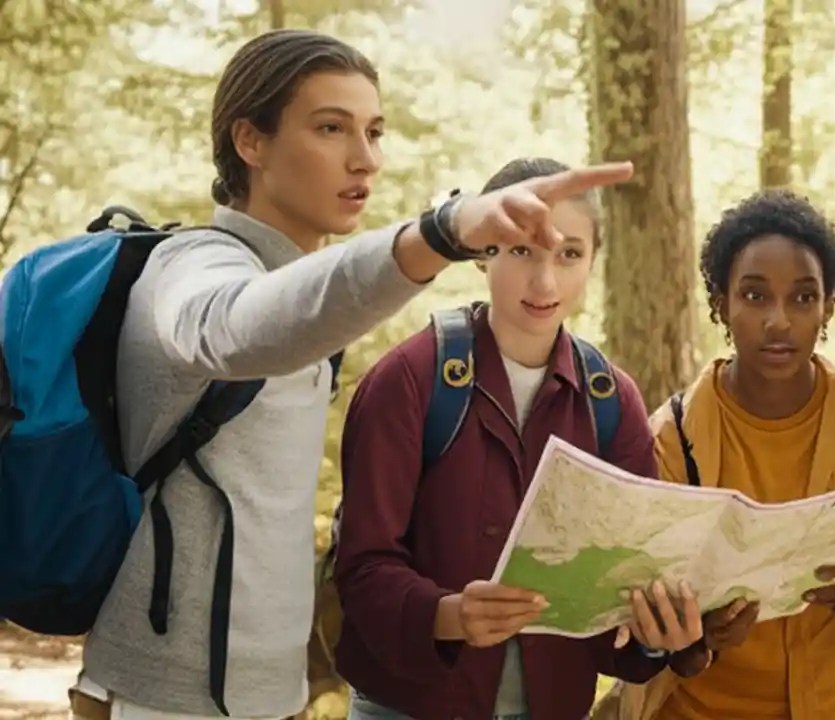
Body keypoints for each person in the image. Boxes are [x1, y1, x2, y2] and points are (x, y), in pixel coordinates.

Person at [68, 30, 637, 720]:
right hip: (158, 697)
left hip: (268, 697)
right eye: (331, 128)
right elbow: (238, 328)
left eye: (374, 132)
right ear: (250, 141)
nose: (365, 158)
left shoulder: (309, 297)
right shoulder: (191, 267)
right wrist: (439, 233)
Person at [333, 157, 711, 720]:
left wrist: (658, 637)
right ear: (482, 252)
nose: (545, 282)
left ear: (594, 259)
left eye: (569, 254)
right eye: (521, 251)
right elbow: (361, 568)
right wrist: (448, 615)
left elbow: (622, 590)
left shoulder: (611, 401)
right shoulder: (409, 380)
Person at [603, 189, 835, 720]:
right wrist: (701, 636)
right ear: (722, 304)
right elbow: (646, 625)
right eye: (755, 296)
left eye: (803, 298)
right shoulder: (673, 439)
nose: (779, 321)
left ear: (828, 306)